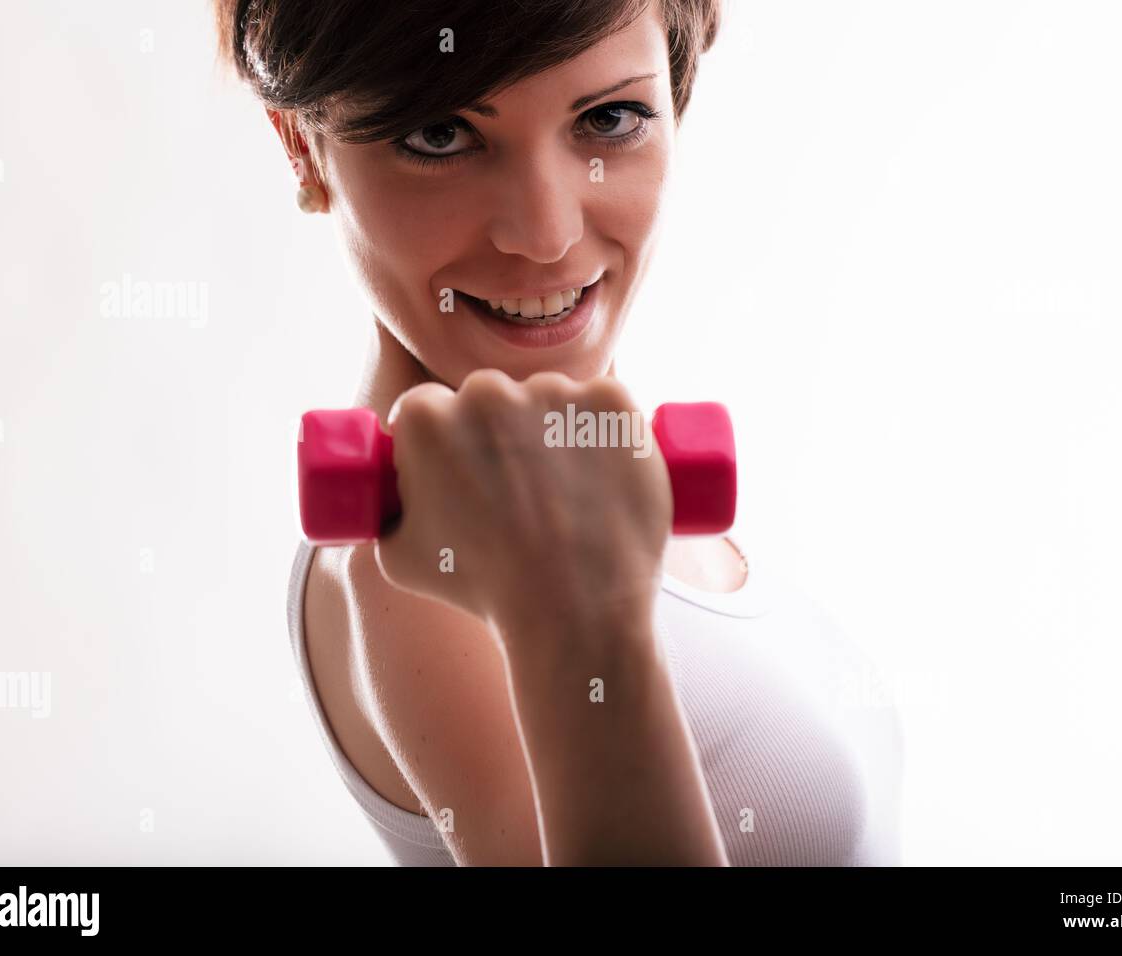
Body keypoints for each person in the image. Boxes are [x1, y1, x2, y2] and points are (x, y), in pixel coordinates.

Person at [217, 0, 905, 865]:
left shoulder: (578, 478)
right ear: (297, 143)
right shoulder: (417, 577)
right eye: (439, 134)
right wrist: (576, 621)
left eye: (610, 119)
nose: (546, 236)